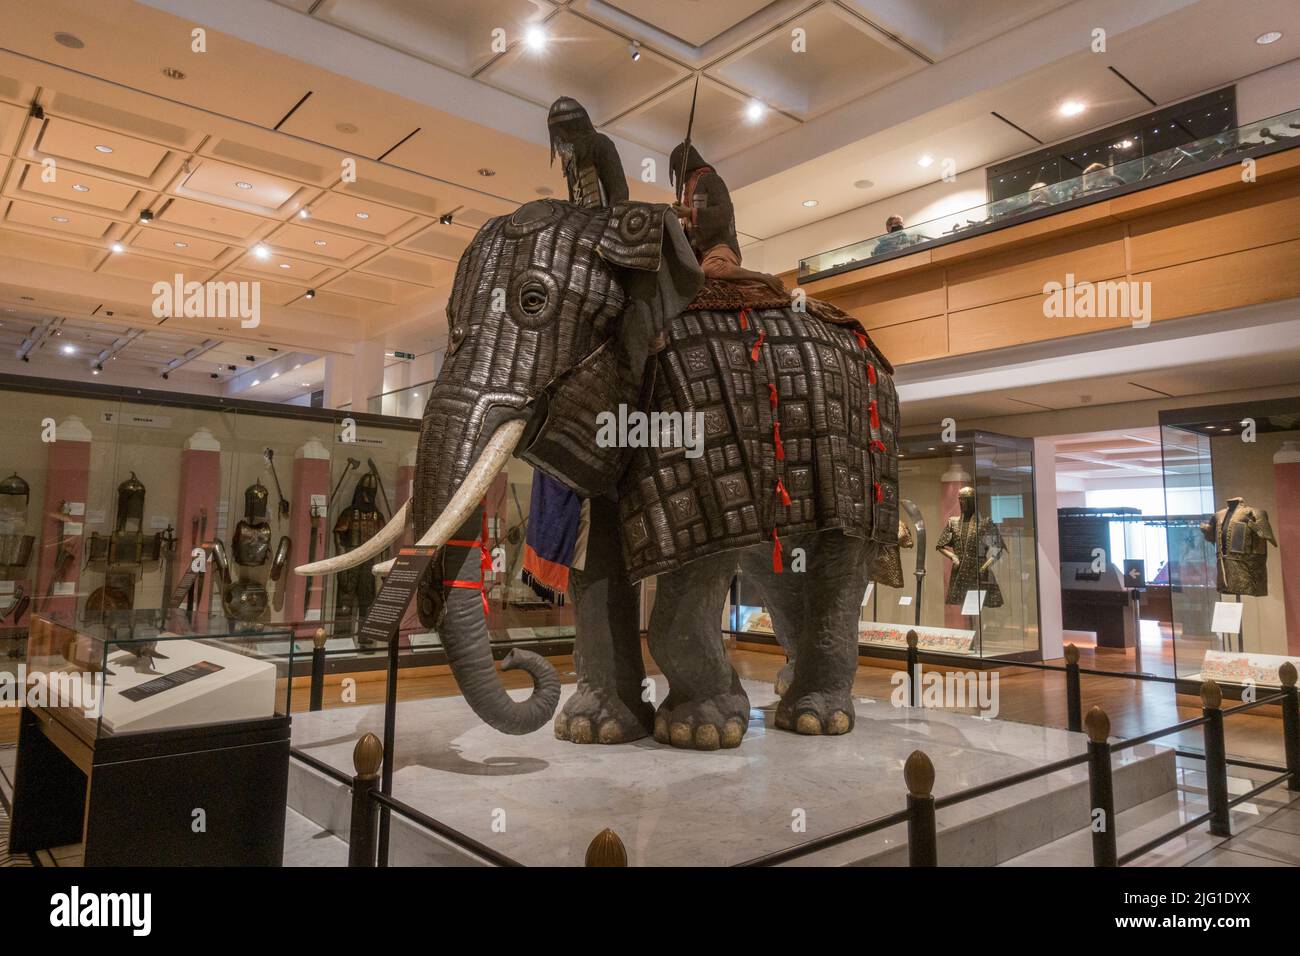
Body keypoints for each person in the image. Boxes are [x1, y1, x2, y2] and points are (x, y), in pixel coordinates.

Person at [668, 141, 784, 291]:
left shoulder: (710, 180)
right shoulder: (689, 191)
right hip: (700, 255)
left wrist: (690, 213)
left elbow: (724, 212)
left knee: (711, 268)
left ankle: (761, 277)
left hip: (720, 248)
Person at [548, 96, 628, 208]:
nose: (560, 138)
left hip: (603, 218)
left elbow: (619, 192)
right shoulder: (571, 158)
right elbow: (574, 200)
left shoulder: (600, 143)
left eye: (562, 130)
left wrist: (611, 219)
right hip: (582, 220)